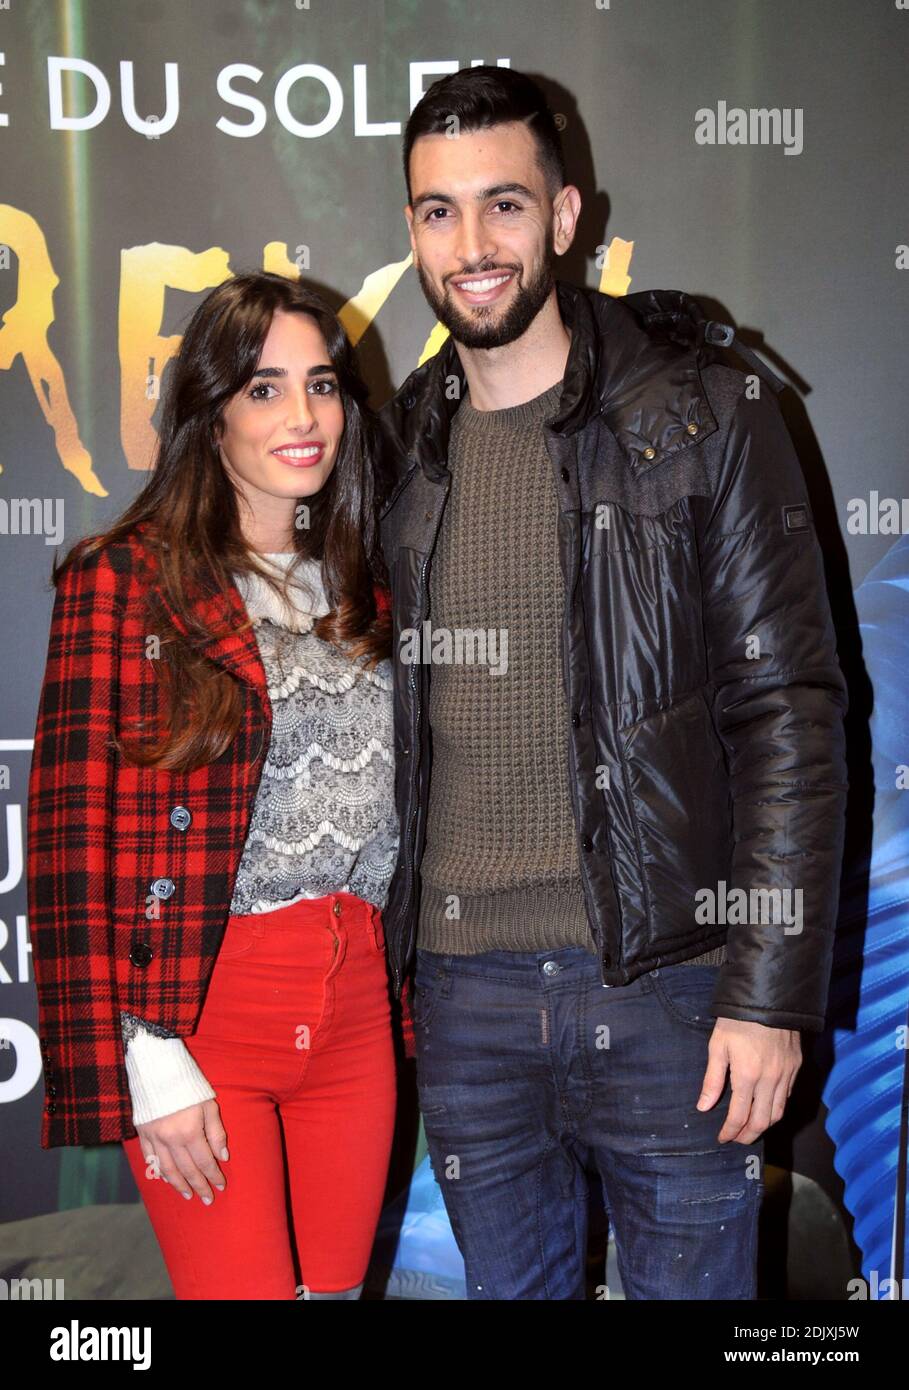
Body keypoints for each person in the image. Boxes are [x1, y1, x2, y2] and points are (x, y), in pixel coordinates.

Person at [376, 66, 849, 1299]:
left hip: (672, 988)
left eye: (505, 205)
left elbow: (789, 716)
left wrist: (769, 993)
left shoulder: (703, 414)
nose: (471, 245)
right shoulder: (399, 449)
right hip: (465, 997)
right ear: (411, 232)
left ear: (569, 214)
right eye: (438, 212)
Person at [26, 270, 412, 1300]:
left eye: (323, 384)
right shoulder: (124, 578)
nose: (304, 415)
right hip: (203, 1017)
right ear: (211, 411)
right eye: (264, 388)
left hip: (356, 1008)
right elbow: (68, 846)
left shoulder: (367, 585)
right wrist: (146, 1058)